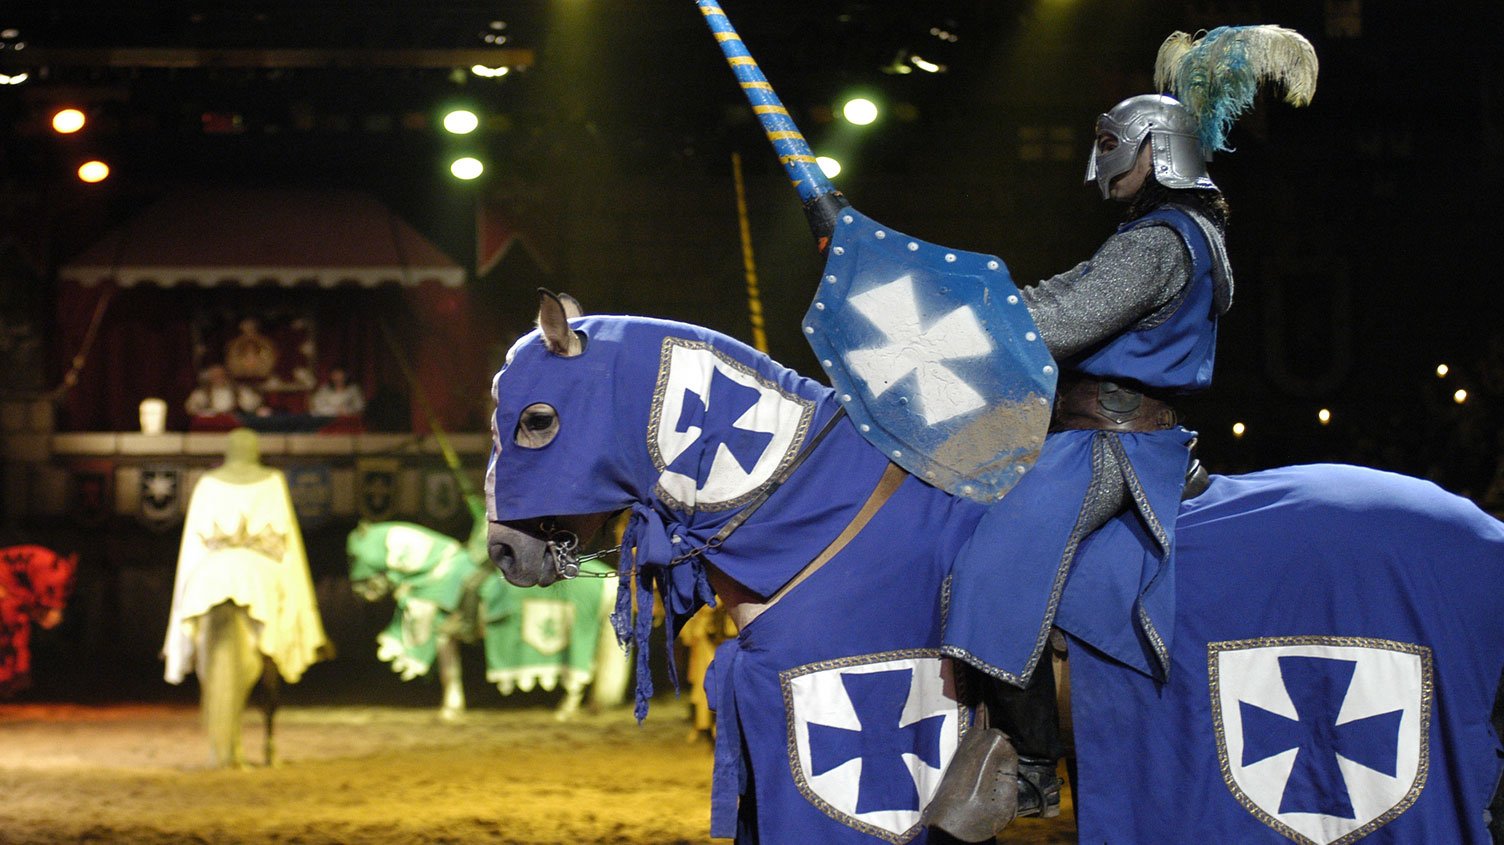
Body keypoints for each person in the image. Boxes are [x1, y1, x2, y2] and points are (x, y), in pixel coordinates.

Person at [929, 26, 1317, 837]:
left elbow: (1064, 319)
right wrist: (960, 294)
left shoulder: (1164, 241)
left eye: (1112, 146)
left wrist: (954, 319)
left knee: (995, 558)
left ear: (1156, 149)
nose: (1099, 163)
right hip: (1083, 432)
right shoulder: (1142, 237)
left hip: (1115, 445)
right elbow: (1056, 290)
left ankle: (1032, 763)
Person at [185, 364, 264, 418]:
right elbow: (190, 408)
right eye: (215, 375)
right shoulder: (202, 393)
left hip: (232, 425)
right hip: (210, 427)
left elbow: (253, 404)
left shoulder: (238, 391)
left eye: (220, 375)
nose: (218, 377)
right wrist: (204, 412)